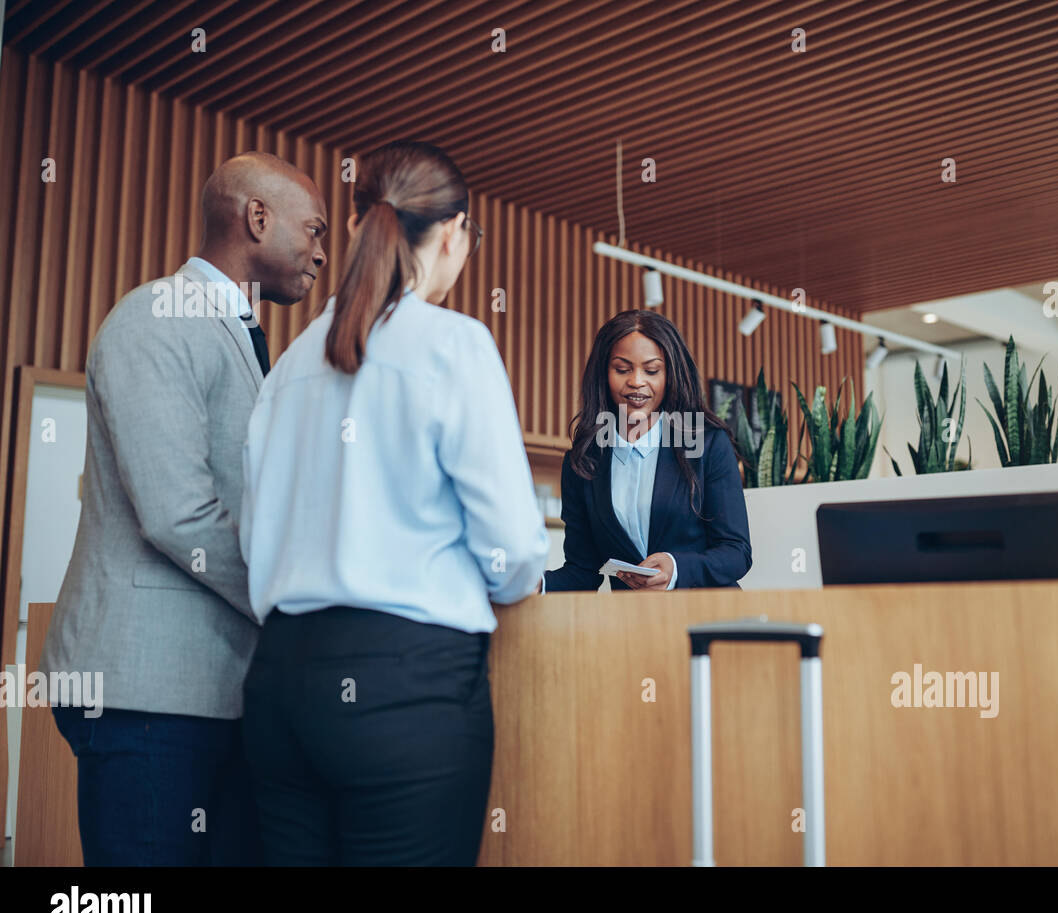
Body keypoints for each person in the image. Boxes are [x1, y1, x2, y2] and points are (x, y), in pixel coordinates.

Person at [239, 140, 547, 866]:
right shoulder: (455, 345)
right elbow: (512, 549)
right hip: (406, 689)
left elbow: (256, 540)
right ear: (451, 235)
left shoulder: (288, 364)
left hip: (280, 686)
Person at [41, 151, 329, 865]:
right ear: (256, 217)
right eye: (314, 230)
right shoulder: (156, 318)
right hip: (148, 692)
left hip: (211, 693)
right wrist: (295, 601)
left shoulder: (242, 334)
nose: (322, 252)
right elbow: (177, 512)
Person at [542, 309, 751, 592]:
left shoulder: (707, 444)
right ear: (603, 374)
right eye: (622, 369)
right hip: (633, 625)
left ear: (670, 374)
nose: (637, 381)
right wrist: (537, 583)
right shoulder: (584, 462)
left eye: (652, 370)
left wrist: (675, 568)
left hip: (706, 617)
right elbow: (583, 570)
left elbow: (736, 552)